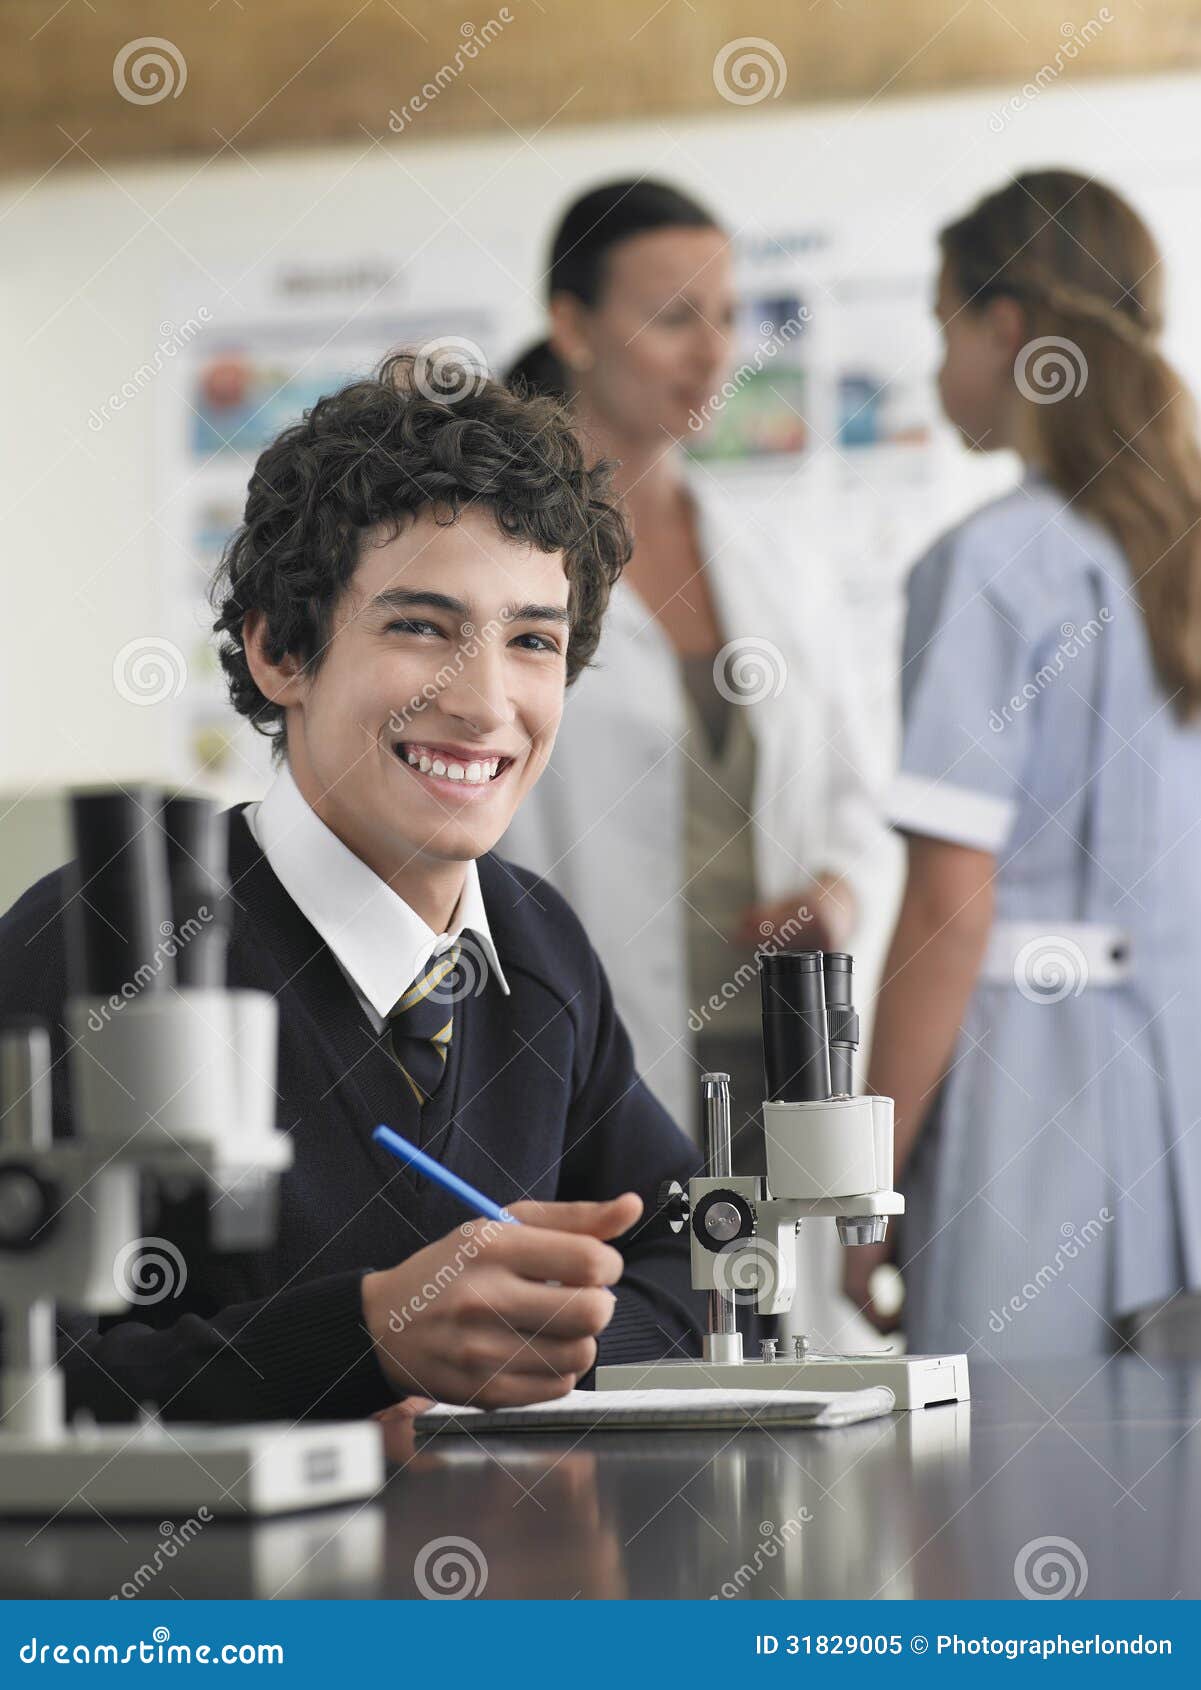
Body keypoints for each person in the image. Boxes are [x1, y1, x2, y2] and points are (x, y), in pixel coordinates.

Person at [0, 354, 705, 1422]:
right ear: (283, 649)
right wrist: (366, 1338)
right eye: (420, 626)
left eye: (531, 641)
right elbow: (32, 1383)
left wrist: (543, 1345)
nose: (481, 701)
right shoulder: (100, 940)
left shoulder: (535, 945)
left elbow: (687, 1256)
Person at [846, 170, 1201, 1361]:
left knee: (1014, 1504)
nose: (938, 360)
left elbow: (950, 906)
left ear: (1003, 331)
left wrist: (864, 1185)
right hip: (1177, 1101)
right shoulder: (1173, 563)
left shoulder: (995, 564)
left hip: (1036, 1111)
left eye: (941, 323)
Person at [502, 180, 888, 1206]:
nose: (712, 351)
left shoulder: (774, 562)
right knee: (633, 1335)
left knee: (785, 1336)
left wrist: (839, 891)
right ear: (572, 326)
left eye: (725, 317)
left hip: (778, 1054)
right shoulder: (505, 562)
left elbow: (857, 784)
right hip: (596, 1051)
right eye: (673, 318)